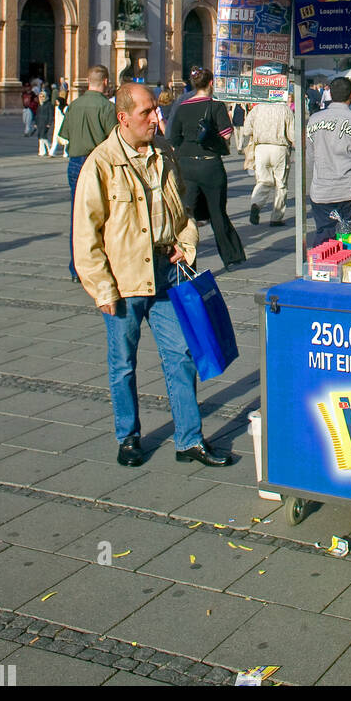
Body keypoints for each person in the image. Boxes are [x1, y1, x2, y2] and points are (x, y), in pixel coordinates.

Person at [72, 83, 232, 469]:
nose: (155, 118)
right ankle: (128, 437)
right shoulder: (102, 163)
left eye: (155, 111)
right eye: (146, 113)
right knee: (123, 364)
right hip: (124, 279)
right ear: (123, 118)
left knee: (181, 356)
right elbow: (85, 233)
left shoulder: (164, 152)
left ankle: (189, 440)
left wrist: (185, 243)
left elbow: (183, 212)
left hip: (166, 272)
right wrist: (102, 288)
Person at [168, 68, 246, 268]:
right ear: (211, 83)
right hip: (210, 164)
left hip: (186, 164)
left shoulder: (182, 107)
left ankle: (187, 260)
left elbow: (174, 138)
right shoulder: (216, 106)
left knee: (187, 215)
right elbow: (227, 134)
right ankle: (231, 257)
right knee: (217, 212)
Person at [59, 66, 118, 281]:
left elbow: (63, 136)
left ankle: (76, 268)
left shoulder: (74, 106)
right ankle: (101, 265)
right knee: (103, 216)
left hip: (75, 164)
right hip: (98, 165)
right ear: (105, 81)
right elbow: (114, 141)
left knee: (78, 216)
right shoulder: (106, 107)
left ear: (87, 80)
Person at [306, 76, 351, 246]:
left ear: (329, 94)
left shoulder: (313, 120)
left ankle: (323, 271)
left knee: (324, 241)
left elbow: (310, 157)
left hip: (321, 191)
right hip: (348, 191)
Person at [242, 98, 295, 226]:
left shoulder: (257, 108)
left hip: (261, 148)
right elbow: (292, 135)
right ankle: (276, 217)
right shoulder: (285, 109)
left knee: (263, 181)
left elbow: (246, 130)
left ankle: (256, 203)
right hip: (279, 148)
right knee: (280, 184)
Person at [48, 84, 69, 156]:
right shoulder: (64, 107)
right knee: (65, 139)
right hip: (62, 125)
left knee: (57, 139)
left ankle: (52, 152)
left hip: (58, 125)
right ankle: (64, 153)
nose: (56, 102)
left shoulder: (59, 108)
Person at [35, 89, 53, 157]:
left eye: (42, 96)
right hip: (40, 122)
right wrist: (36, 123)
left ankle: (49, 149)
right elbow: (37, 114)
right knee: (40, 137)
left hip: (45, 122)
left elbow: (51, 114)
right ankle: (42, 151)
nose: (41, 98)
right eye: (40, 96)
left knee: (44, 137)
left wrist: (49, 123)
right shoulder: (40, 104)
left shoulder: (48, 104)